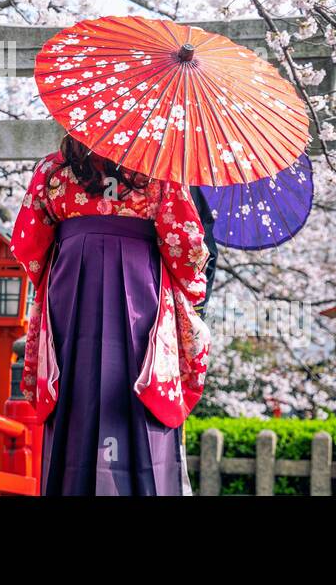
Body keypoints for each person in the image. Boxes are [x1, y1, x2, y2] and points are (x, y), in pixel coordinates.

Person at [11, 135, 212, 496]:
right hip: (140, 290)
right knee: (140, 382)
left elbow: (28, 246)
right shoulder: (158, 169)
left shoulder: (52, 170)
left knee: (74, 388)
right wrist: (191, 287)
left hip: (72, 290)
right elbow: (187, 245)